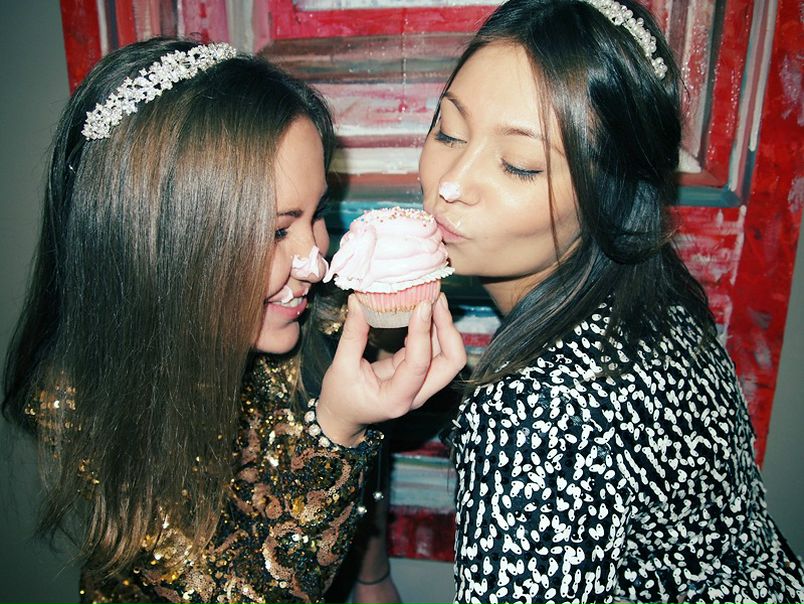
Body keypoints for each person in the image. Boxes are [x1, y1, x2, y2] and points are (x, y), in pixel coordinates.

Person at [1, 37, 466, 603]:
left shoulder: (309, 324)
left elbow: (358, 463)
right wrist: (337, 432)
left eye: (316, 213)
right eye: (276, 231)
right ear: (162, 252)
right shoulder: (91, 402)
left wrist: (372, 577)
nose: (316, 262)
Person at [417, 1, 804, 602]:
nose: (451, 183)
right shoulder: (662, 298)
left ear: (612, 192)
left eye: (519, 165)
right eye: (447, 130)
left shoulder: (537, 413)